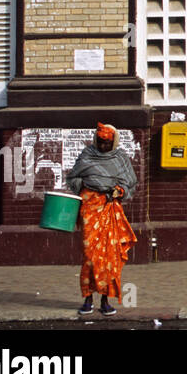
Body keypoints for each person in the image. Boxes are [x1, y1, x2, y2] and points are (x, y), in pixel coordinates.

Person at [65, 122, 137, 316]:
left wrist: (119, 191)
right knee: (90, 256)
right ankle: (88, 298)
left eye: (107, 143)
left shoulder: (120, 158)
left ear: (114, 142)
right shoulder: (87, 155)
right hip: (90, 210)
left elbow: (130, 183)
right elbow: (72, 179)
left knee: (110, 257)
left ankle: (105, 300)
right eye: (101, 142)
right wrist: (87, 185)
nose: (104, 146)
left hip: (110, 210)